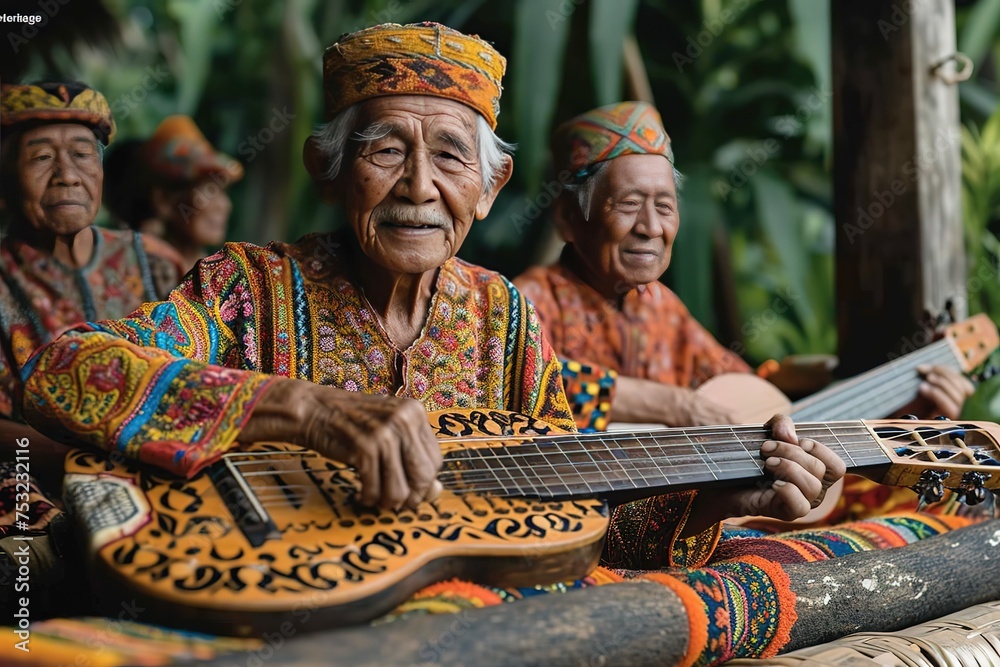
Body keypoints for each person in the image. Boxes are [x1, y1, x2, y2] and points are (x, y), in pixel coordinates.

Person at [12, 25, 976, 665]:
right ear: (334, 167)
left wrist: (725, 493)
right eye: (387, 147)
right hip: (233, 585)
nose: (419, 185)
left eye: (452, 156)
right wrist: (301, 408)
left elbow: (571, 516)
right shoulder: (247, 286)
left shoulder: (505, 319)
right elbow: (64, 372)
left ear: (492, 183)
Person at [515, 100, 975, 433]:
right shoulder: (522, 304)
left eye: (666, 206)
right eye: (629, 204)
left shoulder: (660, 306)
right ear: (568, 219)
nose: (651, 227)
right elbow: (522, 388)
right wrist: (674, 406)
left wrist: (896, 395)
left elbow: (741, 392)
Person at [104, 115, 244, 274]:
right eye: (210, 190)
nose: (224, 205)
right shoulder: (132, 270)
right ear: (163, 200)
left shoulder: (221, 276)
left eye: (223, 192)